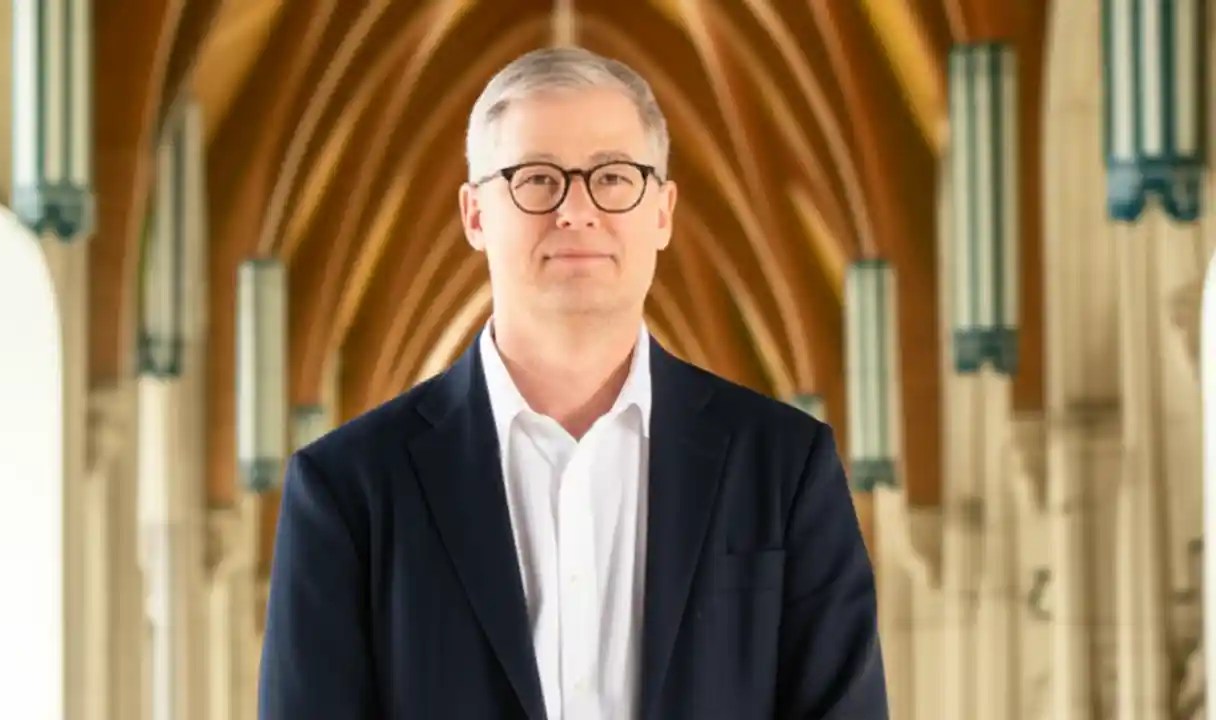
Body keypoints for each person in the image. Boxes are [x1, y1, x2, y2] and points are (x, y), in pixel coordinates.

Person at [258, 46, 887, 719]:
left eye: (614, 177)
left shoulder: (785, 467)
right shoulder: (347, 489)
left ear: (663, 211)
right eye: (536, 178)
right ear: (475, 215)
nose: (576, 210)